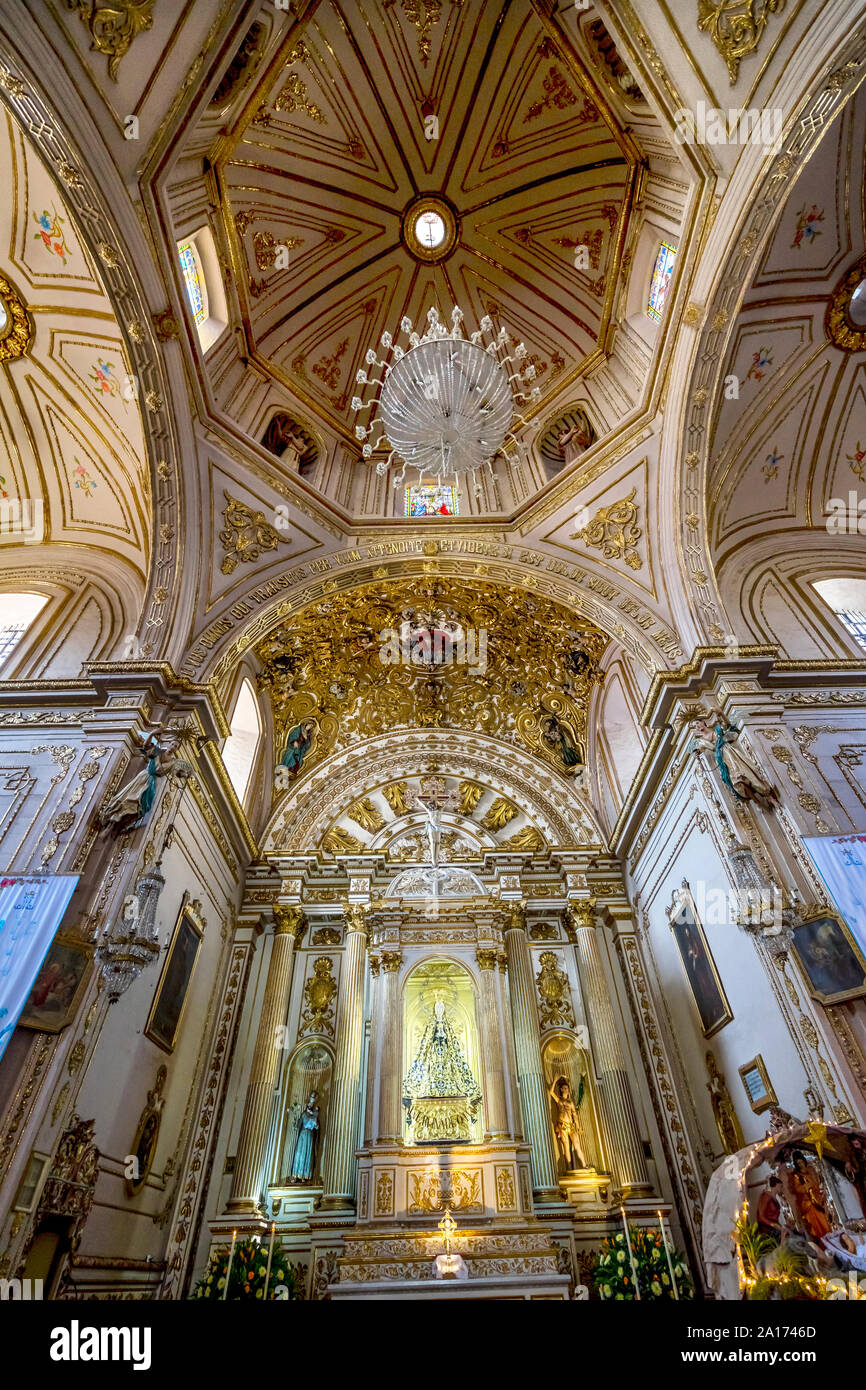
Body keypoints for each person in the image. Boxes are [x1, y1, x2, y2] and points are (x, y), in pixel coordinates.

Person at [788, 1152, 833, 1241]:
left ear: (804, 1161)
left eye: (801, 1162)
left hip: (819, 1201)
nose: (800, 1165)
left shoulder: (811, 1169)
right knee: (815, 1228)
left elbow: (818, 1183)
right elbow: (797, 1190)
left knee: (825, 1224)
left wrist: (816, 1188)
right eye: (798, 1163)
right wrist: (806, 1187)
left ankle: (831, 1243)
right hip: (808, 1204)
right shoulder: (796, 1176)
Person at [289, 1092, 320, 1182]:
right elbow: (298, 1126)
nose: (310, 1104)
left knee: (308, 1154)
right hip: (303, 1135)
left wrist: (316, 1124)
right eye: (310, 1102)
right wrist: (294, 1121)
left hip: (309, 1135)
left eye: (312, 1103)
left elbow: (317, 1127)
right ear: (307, 1104)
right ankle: (296, 1174)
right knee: (300, 1153)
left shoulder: (314, 1115)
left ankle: (305, 1175)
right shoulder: (303, 1114)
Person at [756, 1175, 783, 1240]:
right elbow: (761, 1215)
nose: (782, 1188)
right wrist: (773, 1224)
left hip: (774, 1228)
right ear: (776, 1185)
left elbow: (775, 1218)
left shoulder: (776, 1199)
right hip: (766, 1229)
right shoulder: (766, 1196)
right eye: (781, 1186)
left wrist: (780, 1226)